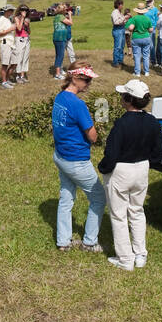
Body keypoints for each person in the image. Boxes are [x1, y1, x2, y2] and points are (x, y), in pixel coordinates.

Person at [98, 79, 162, 270]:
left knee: (119, 216)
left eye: (122, 95)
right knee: (137, 211)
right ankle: (140, 254)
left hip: (121, 170)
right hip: (142, 168)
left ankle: (125, 259)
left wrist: (103, 168)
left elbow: (111, 153)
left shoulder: (121, 124)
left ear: (128, 99)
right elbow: (158, 150)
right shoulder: (152, 121)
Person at [51, 62, 105, 253]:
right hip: (77, 160)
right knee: (99, 198)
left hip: (61, 156)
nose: (89, 84)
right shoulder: (78, 104)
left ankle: (63, 242)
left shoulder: (60, 98)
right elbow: (92, 135)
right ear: (75, 78)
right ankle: (89, 242)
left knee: (66, 197)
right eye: (86, 80)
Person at [127, 2, 154, 77]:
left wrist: (131, 29)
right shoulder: (147, 19)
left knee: (137, 55)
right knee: (146, 55)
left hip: (136, 38)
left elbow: (131, 28)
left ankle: (137, 72)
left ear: (137, 11)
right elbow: (151, 30)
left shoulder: (134, 18)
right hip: (146, 37)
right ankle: (146, 72)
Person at [0, 7, 16, 88]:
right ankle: (4, 83)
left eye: (13, 10)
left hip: (11, 44)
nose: (12, 12)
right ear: (6, 11)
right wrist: (9, 29)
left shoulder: (8, 20)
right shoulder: (1, 19)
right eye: (11, 10)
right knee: (5, 64)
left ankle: (7, 80)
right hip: (5, 43)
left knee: (14, 63)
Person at [51, 5, 73, 80]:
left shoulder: (57, 17)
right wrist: (70, 15)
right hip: (60, 39)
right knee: (60, 56)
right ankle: (57, 74)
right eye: (65, 9)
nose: (66, 10)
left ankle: (59, 70)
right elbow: (70, 23)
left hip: (57, 38)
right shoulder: (61, 17)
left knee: (59, 55)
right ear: (62, 10)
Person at [13, 5, 32, 83]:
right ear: (19, 10)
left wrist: (27, 26)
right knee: (19, 57)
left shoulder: (27, 19)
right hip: (20, 39)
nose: (24, 11)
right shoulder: (16, 18)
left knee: (25, 58)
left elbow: (29, 32)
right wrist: (22, 18)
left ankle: (22, 75)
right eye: (22, 10)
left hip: (27, 39)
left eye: (26, 10)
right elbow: (19, 28)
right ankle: (17, 76)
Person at [110, 0, 127, 68]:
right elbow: (116, 22)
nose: (122, 6)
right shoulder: (115, 12)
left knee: (122, 46)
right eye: (121, 4)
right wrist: (124, 18)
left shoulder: (120, 12)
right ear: (118, 5)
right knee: (117, 47)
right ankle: (115, 62)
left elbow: (122, 21)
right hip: (117, 30)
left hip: (122, 29)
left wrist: (126, 19)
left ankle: (120, 60)